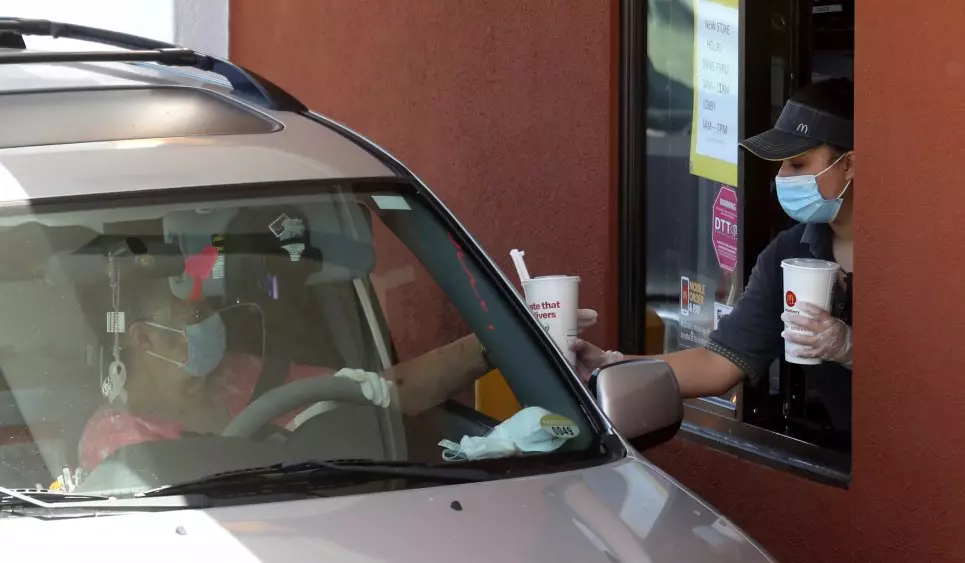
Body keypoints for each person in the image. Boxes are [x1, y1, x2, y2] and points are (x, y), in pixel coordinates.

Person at [79, 267, 598, 470]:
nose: (211, 324)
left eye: (206, 311)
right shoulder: (116, 440)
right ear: (144, 338)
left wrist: (500, 339)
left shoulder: (241, 373)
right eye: (193, 316)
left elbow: (384, 394)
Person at [574, 77, 855, 434]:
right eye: (780, 165)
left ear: (849, 165)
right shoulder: (787, 254)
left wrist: (849, 348)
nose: (781, 177)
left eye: (796, 165)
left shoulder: (905, 256)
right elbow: (719, 362)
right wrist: (607, 365)